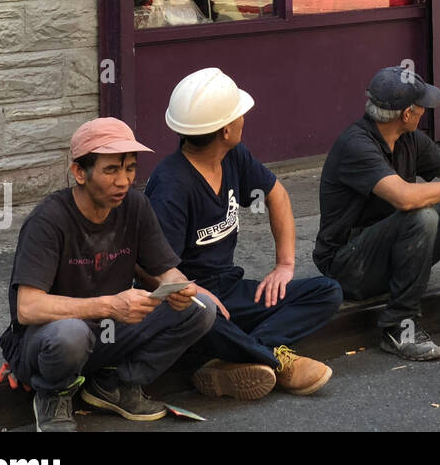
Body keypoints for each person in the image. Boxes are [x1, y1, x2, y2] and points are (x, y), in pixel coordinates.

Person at [0, 118, 216, 432]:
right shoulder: (48, 220)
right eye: (111, 169)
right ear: (79, 173)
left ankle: (113, 384)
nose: (124, 181)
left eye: (130, 168)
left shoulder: (136, 206)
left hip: (107, 332)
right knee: (70, 334)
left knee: (201, 310)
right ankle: (54, 393)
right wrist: (110, 306)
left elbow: (164, 270)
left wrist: (176, 287)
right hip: (49, 340)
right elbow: (28, 308)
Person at [145, 68, 341, 401]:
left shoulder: (233, 154)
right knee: (203, 316)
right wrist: (198, 298)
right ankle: (274, 359)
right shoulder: (171, 185)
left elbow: (276, 192)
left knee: (328, 291)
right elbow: (151, 269)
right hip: (188, 304)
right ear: (225, 130)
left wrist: (285, 265)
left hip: (230, 290)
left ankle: (231, 358)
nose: (243, 119)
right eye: (238, 115)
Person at [314, 66, 440, 362]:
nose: (426, 111)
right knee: (422, 215)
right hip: (348, 266)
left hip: (391, 253)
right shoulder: (356, 145)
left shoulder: (409, 138)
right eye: (421, 106)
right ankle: (398, 326)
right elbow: (406, 199)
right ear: (406, 114)